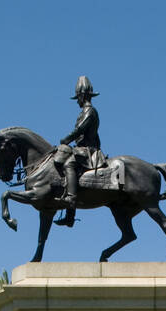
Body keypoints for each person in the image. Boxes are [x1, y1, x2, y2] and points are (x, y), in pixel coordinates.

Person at [55, 76, 104, 227]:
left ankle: (71, 198)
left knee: (69, 164)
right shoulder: (85, 111)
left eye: (78, 98)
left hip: (88, 150)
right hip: (81, 149)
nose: (77, 101)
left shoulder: (90, 111)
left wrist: (66, 140)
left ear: (83, 96)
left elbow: (80, 129)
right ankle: (70, 216)